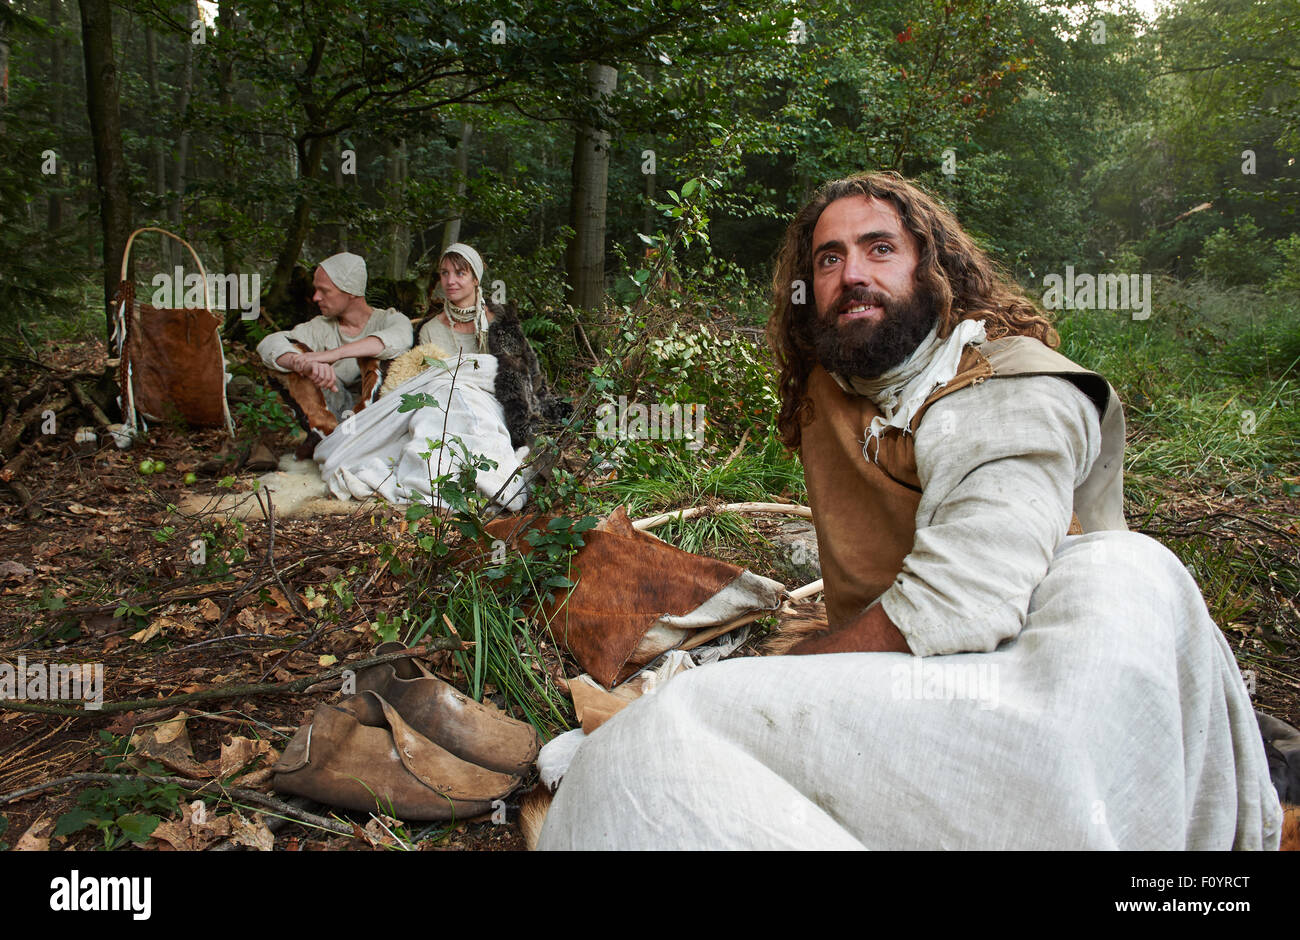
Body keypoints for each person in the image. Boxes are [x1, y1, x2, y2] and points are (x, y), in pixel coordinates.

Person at [537, 172, 1281, 850]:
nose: (851, 274)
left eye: (879, 249)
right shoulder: (835, 386)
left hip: (1029, 664)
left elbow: (958, 608)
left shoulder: (1013, 388)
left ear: (934, 267)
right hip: (894, 674)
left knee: (1126, 570)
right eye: (828, 259)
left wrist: (792, 669)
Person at [257, 252, 413, 457]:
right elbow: (269, 344)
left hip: (376, 417)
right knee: (290, 362)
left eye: (324, 291)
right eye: (316, 290)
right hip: (334, 413)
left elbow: (399, 339)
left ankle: (358, 444)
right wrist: (302, 363)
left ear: (350, 292)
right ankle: (326, 438)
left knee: (380, 359)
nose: (315, 297)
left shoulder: (389, 319)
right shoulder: (320, 327)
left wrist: (333, 355)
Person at [417, 243, 495, 355]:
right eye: (445, 273)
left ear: (475, 279)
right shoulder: (430, 331)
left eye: (460, 273)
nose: (450, 281)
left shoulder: (498, 324)